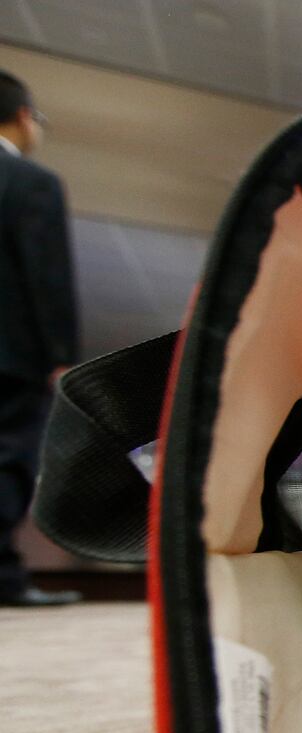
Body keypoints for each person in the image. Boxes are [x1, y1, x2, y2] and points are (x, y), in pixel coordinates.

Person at [0, 69, 81, 606]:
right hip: (11, 357)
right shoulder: (31, 184)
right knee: (7, 458)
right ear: (25, 117)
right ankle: (2, 577)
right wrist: (60, 356)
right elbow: (45, 276)